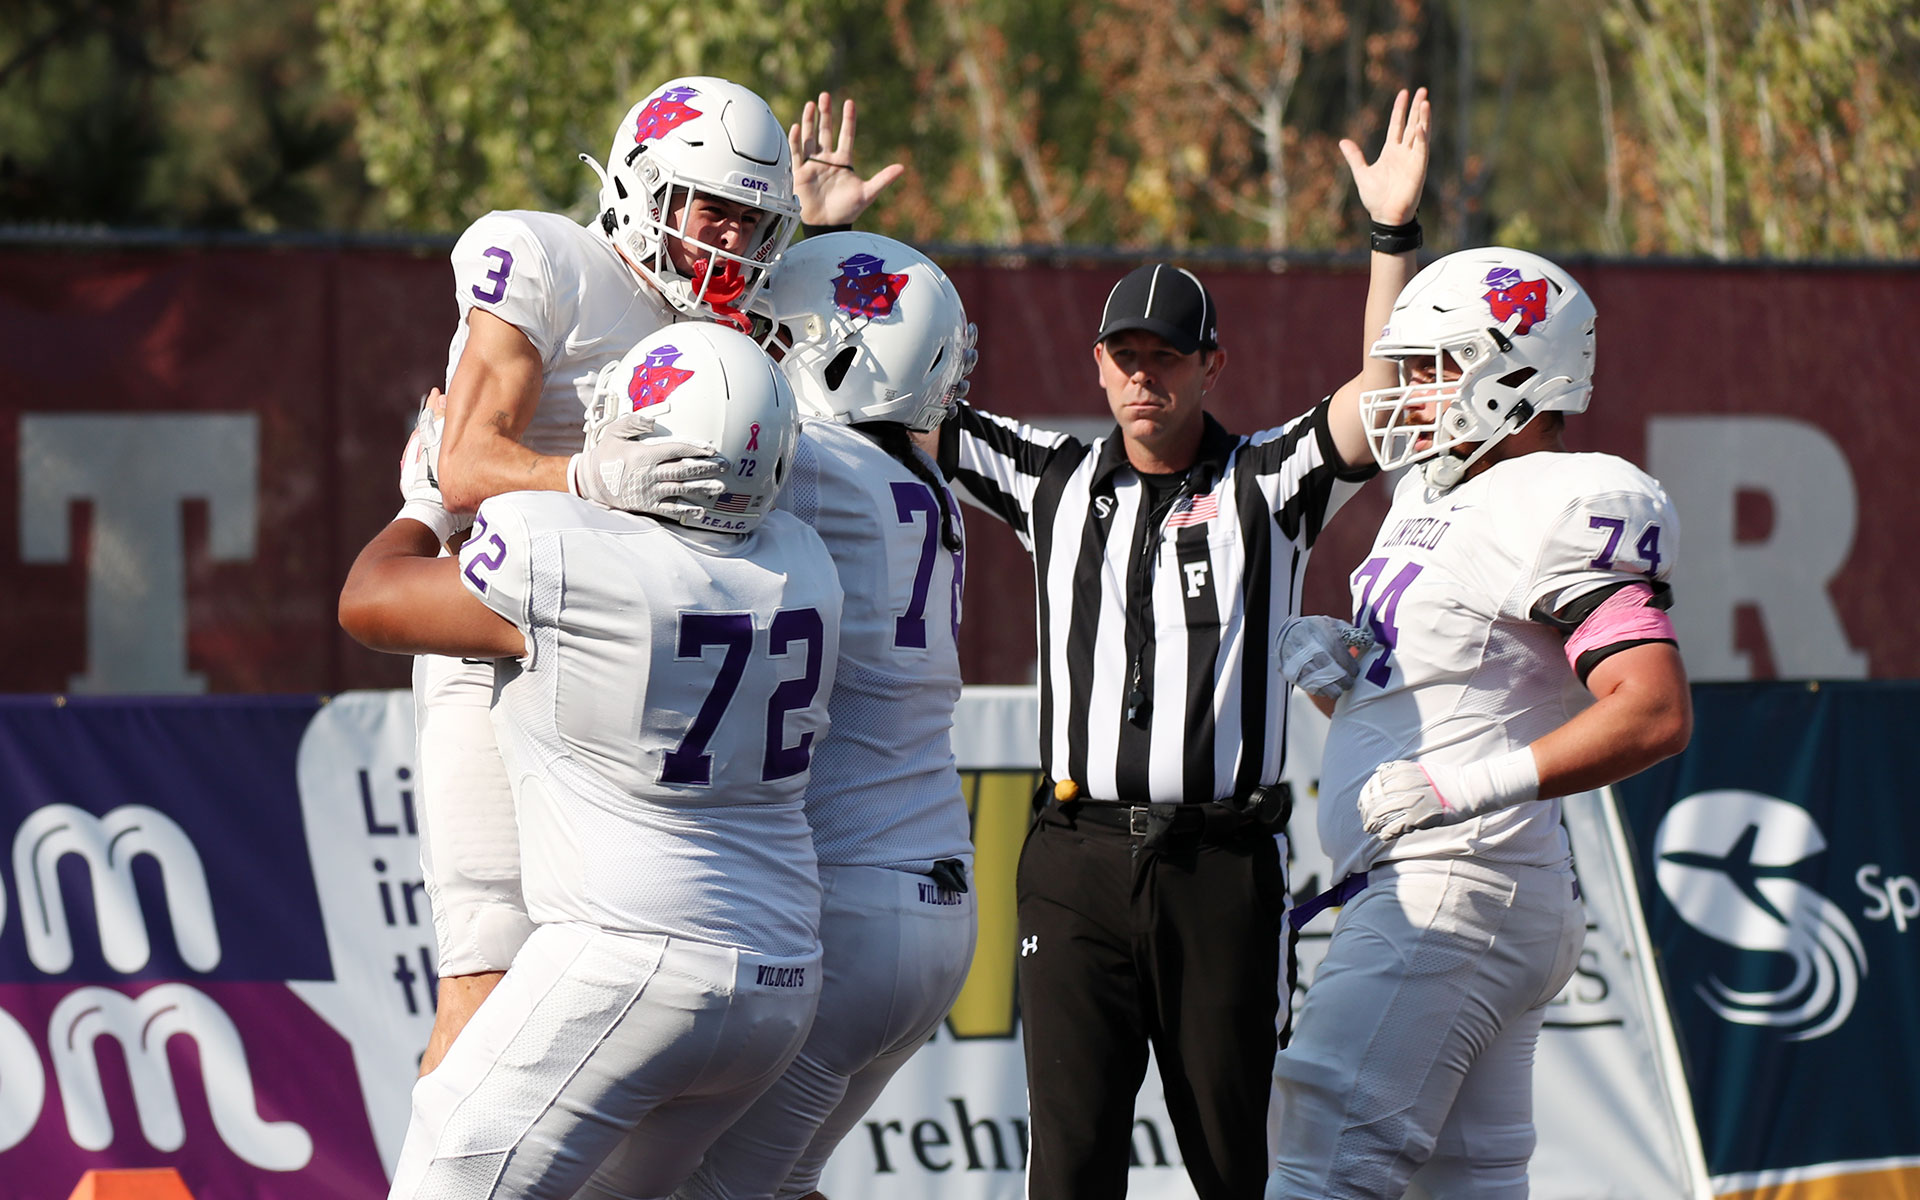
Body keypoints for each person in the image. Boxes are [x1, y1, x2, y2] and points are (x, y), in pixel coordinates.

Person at [934, 89, 1431, 1200]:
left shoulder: (1268, 482)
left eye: (1167, 356)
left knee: (1231, 1165)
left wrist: (1390, 238)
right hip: (1071, 862)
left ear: (1214, 362)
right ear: (1097, 366)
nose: (1144, 377)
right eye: (1126, 356)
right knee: (1068, 1169)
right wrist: (829, 243)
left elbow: (1382, 403)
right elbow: (899, 398)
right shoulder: (1051, 478)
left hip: (1220, 867)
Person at [408, 78, 898, 1075]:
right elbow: (464, 464)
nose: (731, 241)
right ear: (640, 182)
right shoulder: (551, 262)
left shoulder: (746, 304)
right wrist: (588, 476)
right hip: (503, 649)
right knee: (486, 985)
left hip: (643, 677)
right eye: (711, 208)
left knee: (644, 1012)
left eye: (757, 220)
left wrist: (804, 256)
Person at [341, 323, 845, 1199]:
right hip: (780, 975)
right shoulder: (803, 560)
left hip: (633, 958)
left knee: (444, 1175)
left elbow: (369, 602)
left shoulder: (566, 550)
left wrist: (425, 500)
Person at [1265, 247, 1694, 1199]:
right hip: (1475, 885)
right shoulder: (1436, 494)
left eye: (1432, 367)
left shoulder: (1562, 495)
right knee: (1468, 1185)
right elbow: (1466, 700)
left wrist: (1459, 787)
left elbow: (1654, 708)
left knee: (1318, 1162)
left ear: (1513, 372)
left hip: (1460, 885)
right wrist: (1342, 684)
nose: (1408, 390)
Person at [667, 232, 979, 1200]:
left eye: (777, 332)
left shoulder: (816, 464)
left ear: (839, 353)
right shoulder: (923, 484)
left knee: (709, 1189)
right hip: (933, 901)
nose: (759, 351)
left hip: (853, 900)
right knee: (781, 1181)